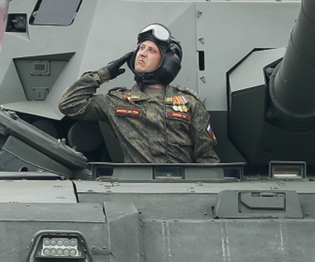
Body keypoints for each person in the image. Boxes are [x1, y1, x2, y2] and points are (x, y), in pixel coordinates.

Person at [58, 23, 219, 163]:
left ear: (168, 63)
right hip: (137, 186)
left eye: (151, 50)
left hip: (184, 187)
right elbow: (69, 104)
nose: (142, 53)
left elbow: (207, 158)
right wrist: (103, 74)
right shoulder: (118, 102)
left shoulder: (188, 103)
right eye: (141, 48)